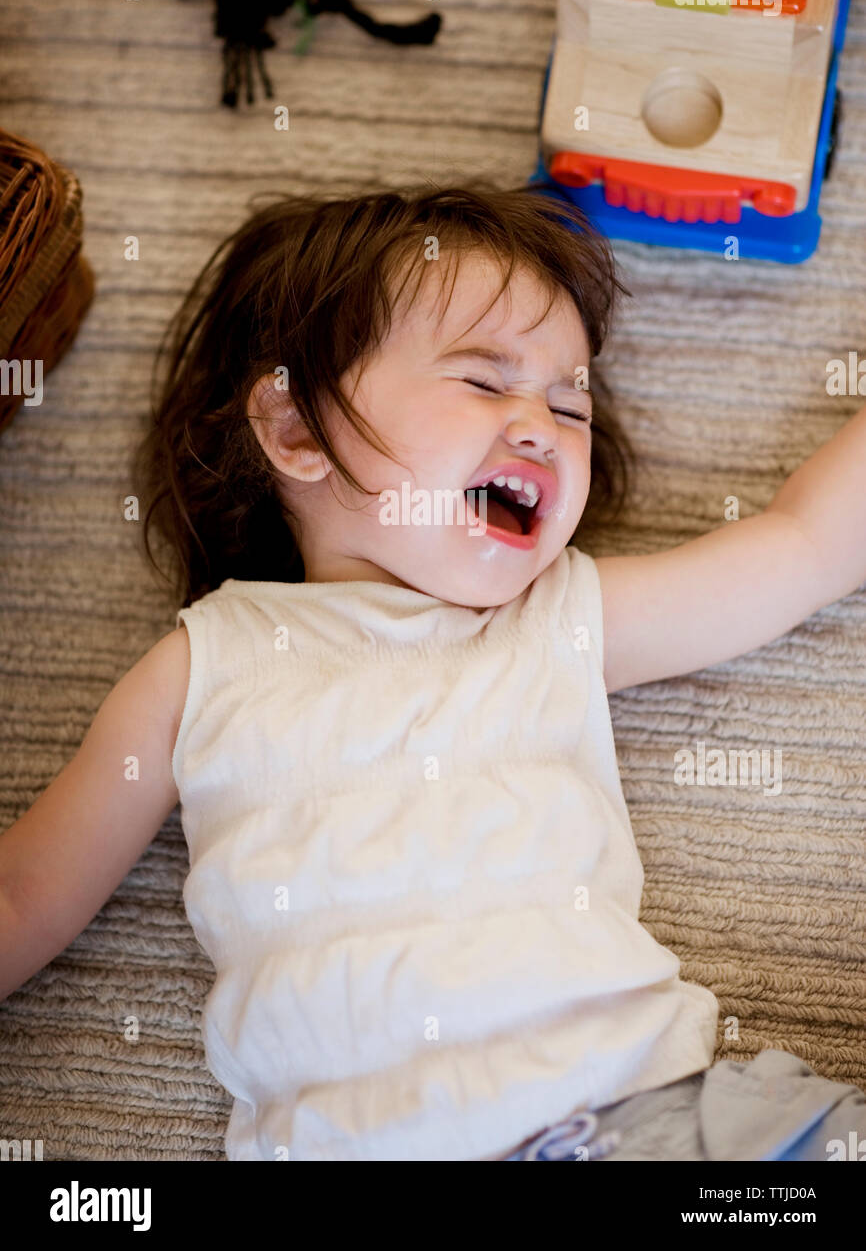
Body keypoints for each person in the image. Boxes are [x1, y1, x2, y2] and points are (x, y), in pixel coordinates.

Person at [1, 184, 863, 1161]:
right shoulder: (201, 667)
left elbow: (799, 548)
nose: (541, 424)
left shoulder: (554, 618)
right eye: (486, 383)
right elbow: (26, 896)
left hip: (650, 1116)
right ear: (294, 432)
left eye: (568, 402)